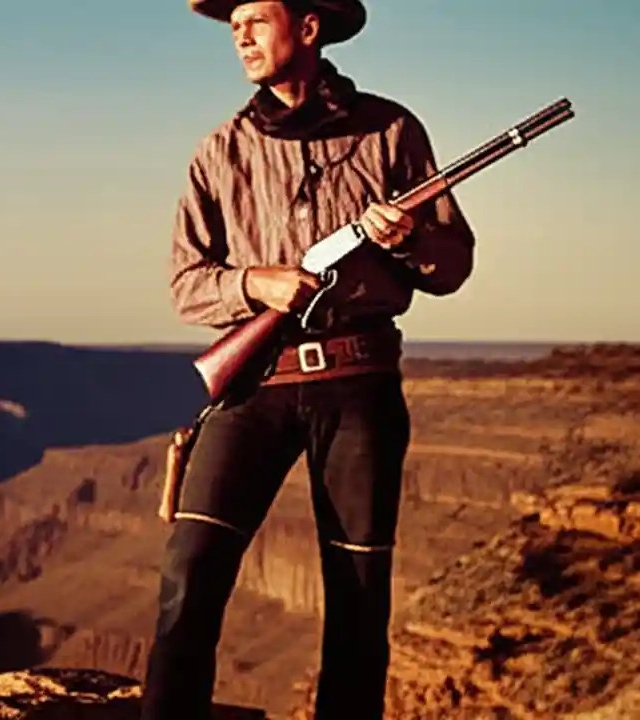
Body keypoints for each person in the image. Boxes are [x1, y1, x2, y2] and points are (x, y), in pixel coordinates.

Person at [139, 1, 477, 718]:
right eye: (233, 24)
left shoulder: (392, 131)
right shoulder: (219, 152)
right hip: (253, 388)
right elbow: (185, 284)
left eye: (256, 18)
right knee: (189, 576)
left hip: (360, 389)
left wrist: (407, 239)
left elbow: (453, 263)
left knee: (357, 602)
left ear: (310, 26)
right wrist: (252, 283)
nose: (240, 33)